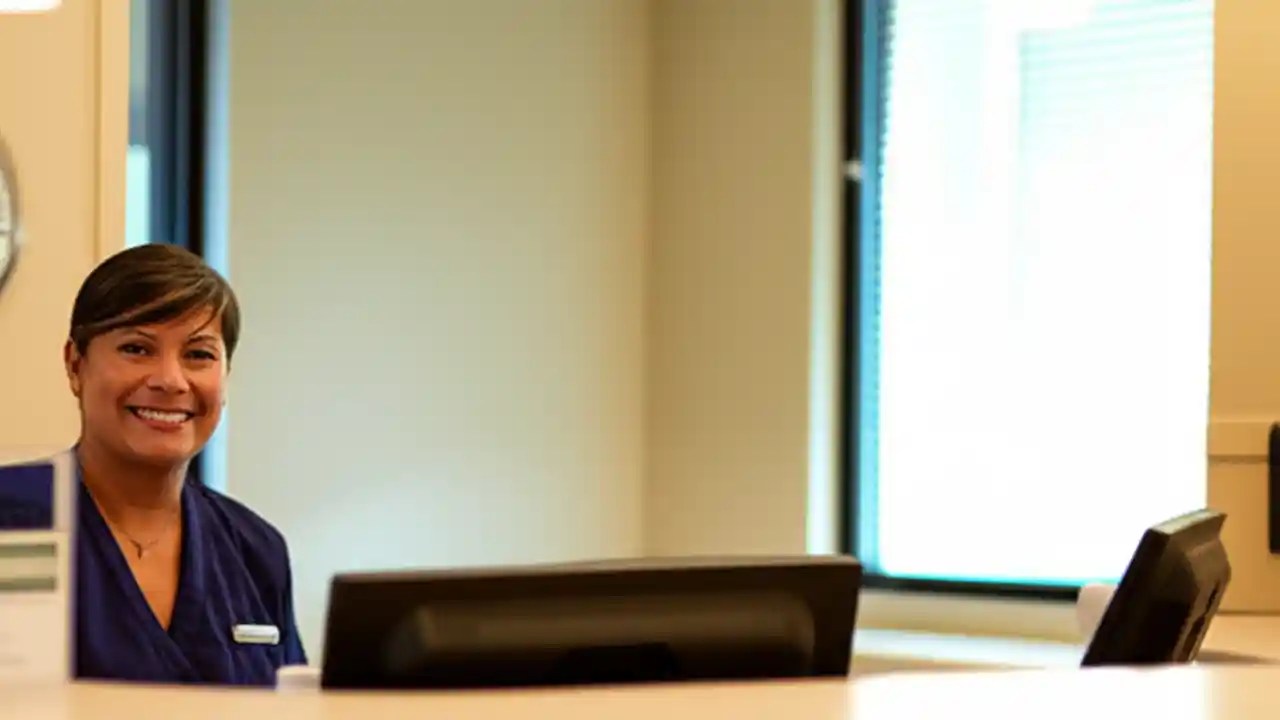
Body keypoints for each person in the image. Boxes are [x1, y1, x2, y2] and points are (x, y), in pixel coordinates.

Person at [64, 244, 306, 685]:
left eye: (198, 355)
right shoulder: (16, 518)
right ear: (76, 365)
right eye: (137, 348)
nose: (170, 381)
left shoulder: (256, 551)